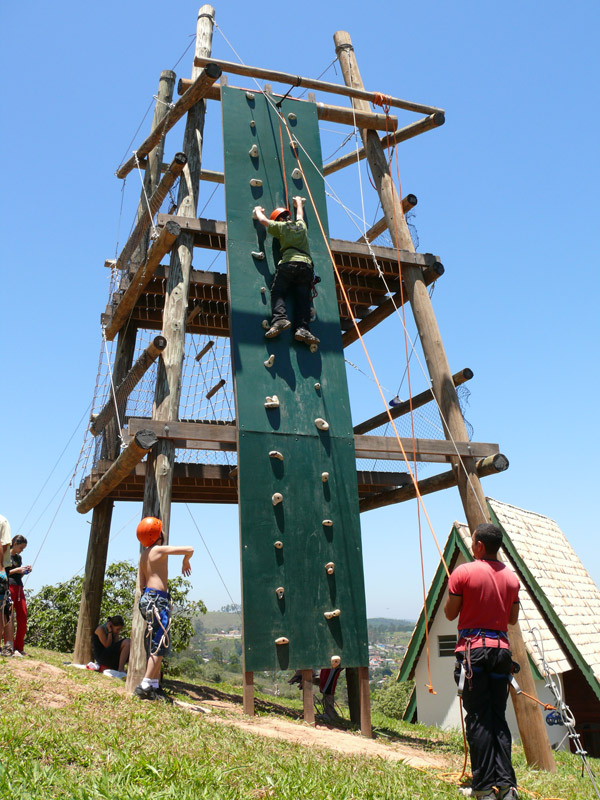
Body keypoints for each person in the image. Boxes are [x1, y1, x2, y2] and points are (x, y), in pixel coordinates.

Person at [444, 523, 521, 800]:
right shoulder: (512, 579)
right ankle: (508, 786)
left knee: (477, 719)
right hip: (501, 652)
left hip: (472, 652)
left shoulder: (463, 572)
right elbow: (512, 619)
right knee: (497, 717)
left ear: (478, 546)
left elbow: (451, 614)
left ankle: (485, 788)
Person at [134, 516, 193, 701]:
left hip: (147, 598)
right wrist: (185, 560)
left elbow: (142, 584)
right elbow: (190, 549)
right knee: (160, 645)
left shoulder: (143, 556)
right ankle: (144, 685)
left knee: (156, 641)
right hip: (157, 599)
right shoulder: (158, 549)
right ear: (158, 534)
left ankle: (153, 685)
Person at [253, 196, 320, 346]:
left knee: (278, 291)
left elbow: (263, 221)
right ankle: (302, 328)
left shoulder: (282, 227)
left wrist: (258, 210)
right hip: (306, 267)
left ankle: (280, 320)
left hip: (289, 264)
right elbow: (300, 215)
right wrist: (298, 204)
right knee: (303, 297)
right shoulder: (301, 226)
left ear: (279, 220)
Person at [5, 535, 31, 657]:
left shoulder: (18, 558)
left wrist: (24, 571)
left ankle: (19, 647)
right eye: (21, 547)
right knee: (8, 618)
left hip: (19, 587)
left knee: (23, 617)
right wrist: (17, 570)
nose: (21, 550)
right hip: (9, 587)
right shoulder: (5, 555)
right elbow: (5, 572)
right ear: (14, 543)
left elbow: (17, 575)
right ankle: (8, 646)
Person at [0, 515, 13, 657]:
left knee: (5, 608)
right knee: (4, 609)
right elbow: (2, 544)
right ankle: (8, 644)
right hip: (2, 569)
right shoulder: (2, 521)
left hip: (3, 569)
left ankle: (8, 644)